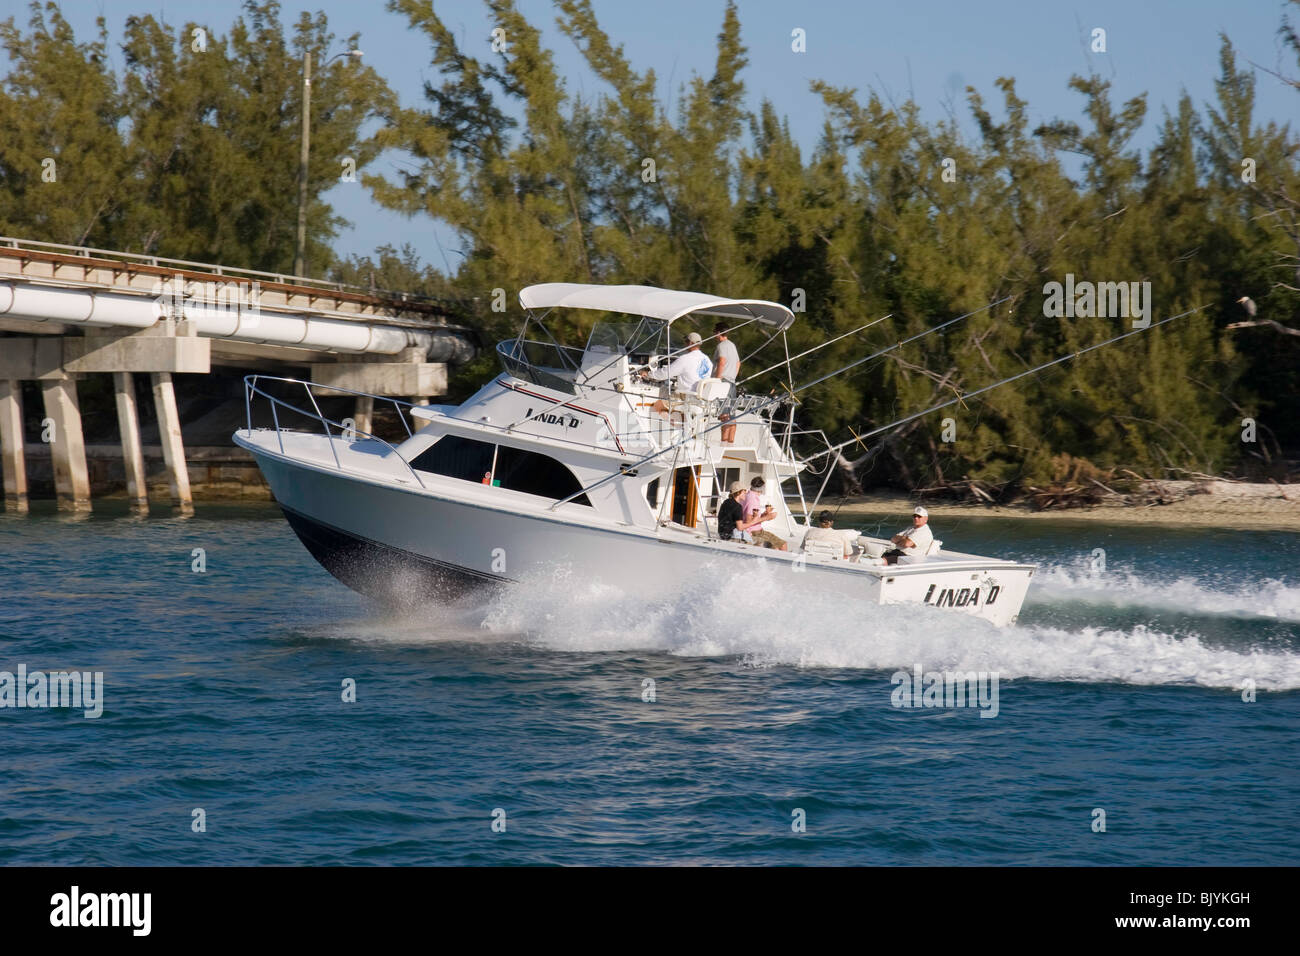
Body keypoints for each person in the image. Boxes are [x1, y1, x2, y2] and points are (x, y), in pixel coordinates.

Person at [641, 331, 713, 420]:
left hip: (686, 397)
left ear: (690, 343)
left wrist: (648, 374)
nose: (685, 344)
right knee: (665, 391)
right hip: (701, 399)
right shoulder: (707, 360)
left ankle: (678, 428)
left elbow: (665, 373)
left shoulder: (685, 359)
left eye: (686, 341)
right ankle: (684, 424)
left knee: (658, 405)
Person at [742, 476, 788, 550]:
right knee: (782, 545)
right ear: (761, 488)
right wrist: (768, 517)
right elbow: (749, 521)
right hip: (754, 532)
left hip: (757, 530)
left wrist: (765, 513)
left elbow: (754, 517)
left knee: (781, 545)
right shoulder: (752, 500)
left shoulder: (749, 495)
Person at [712, 321, 740, 443]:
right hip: (732, 382)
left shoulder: (721, 346)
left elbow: (722, 361)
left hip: (723, 382)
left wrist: (717, 380)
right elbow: (738, 363)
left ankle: (723, 443)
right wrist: (733, 375)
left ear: (718, 333)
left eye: (714, 332)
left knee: (724, 415)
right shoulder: (732, 345)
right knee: (732, 415)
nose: (713, 335)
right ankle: (730, 443)